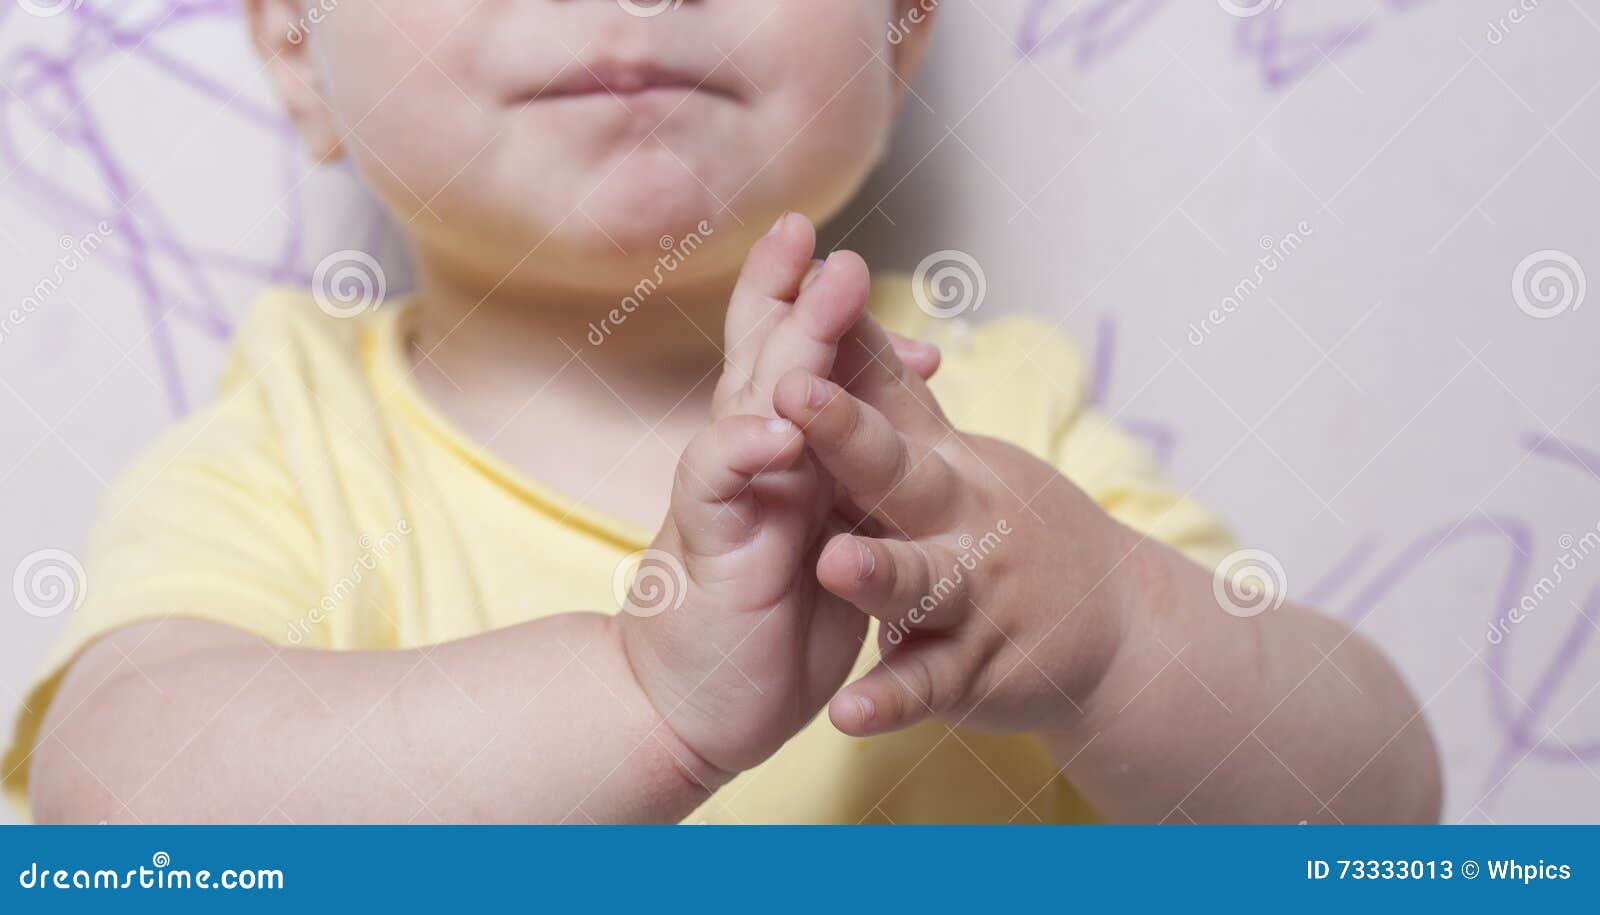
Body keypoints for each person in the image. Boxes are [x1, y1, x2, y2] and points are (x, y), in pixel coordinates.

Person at [6, 0, 1440, 824]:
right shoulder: (300, 440)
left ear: (902, 30)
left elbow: (1380, 805)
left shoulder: (998, 440)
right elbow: (116, 810)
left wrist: (1121, 641)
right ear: (296, 49)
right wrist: (637, 701)